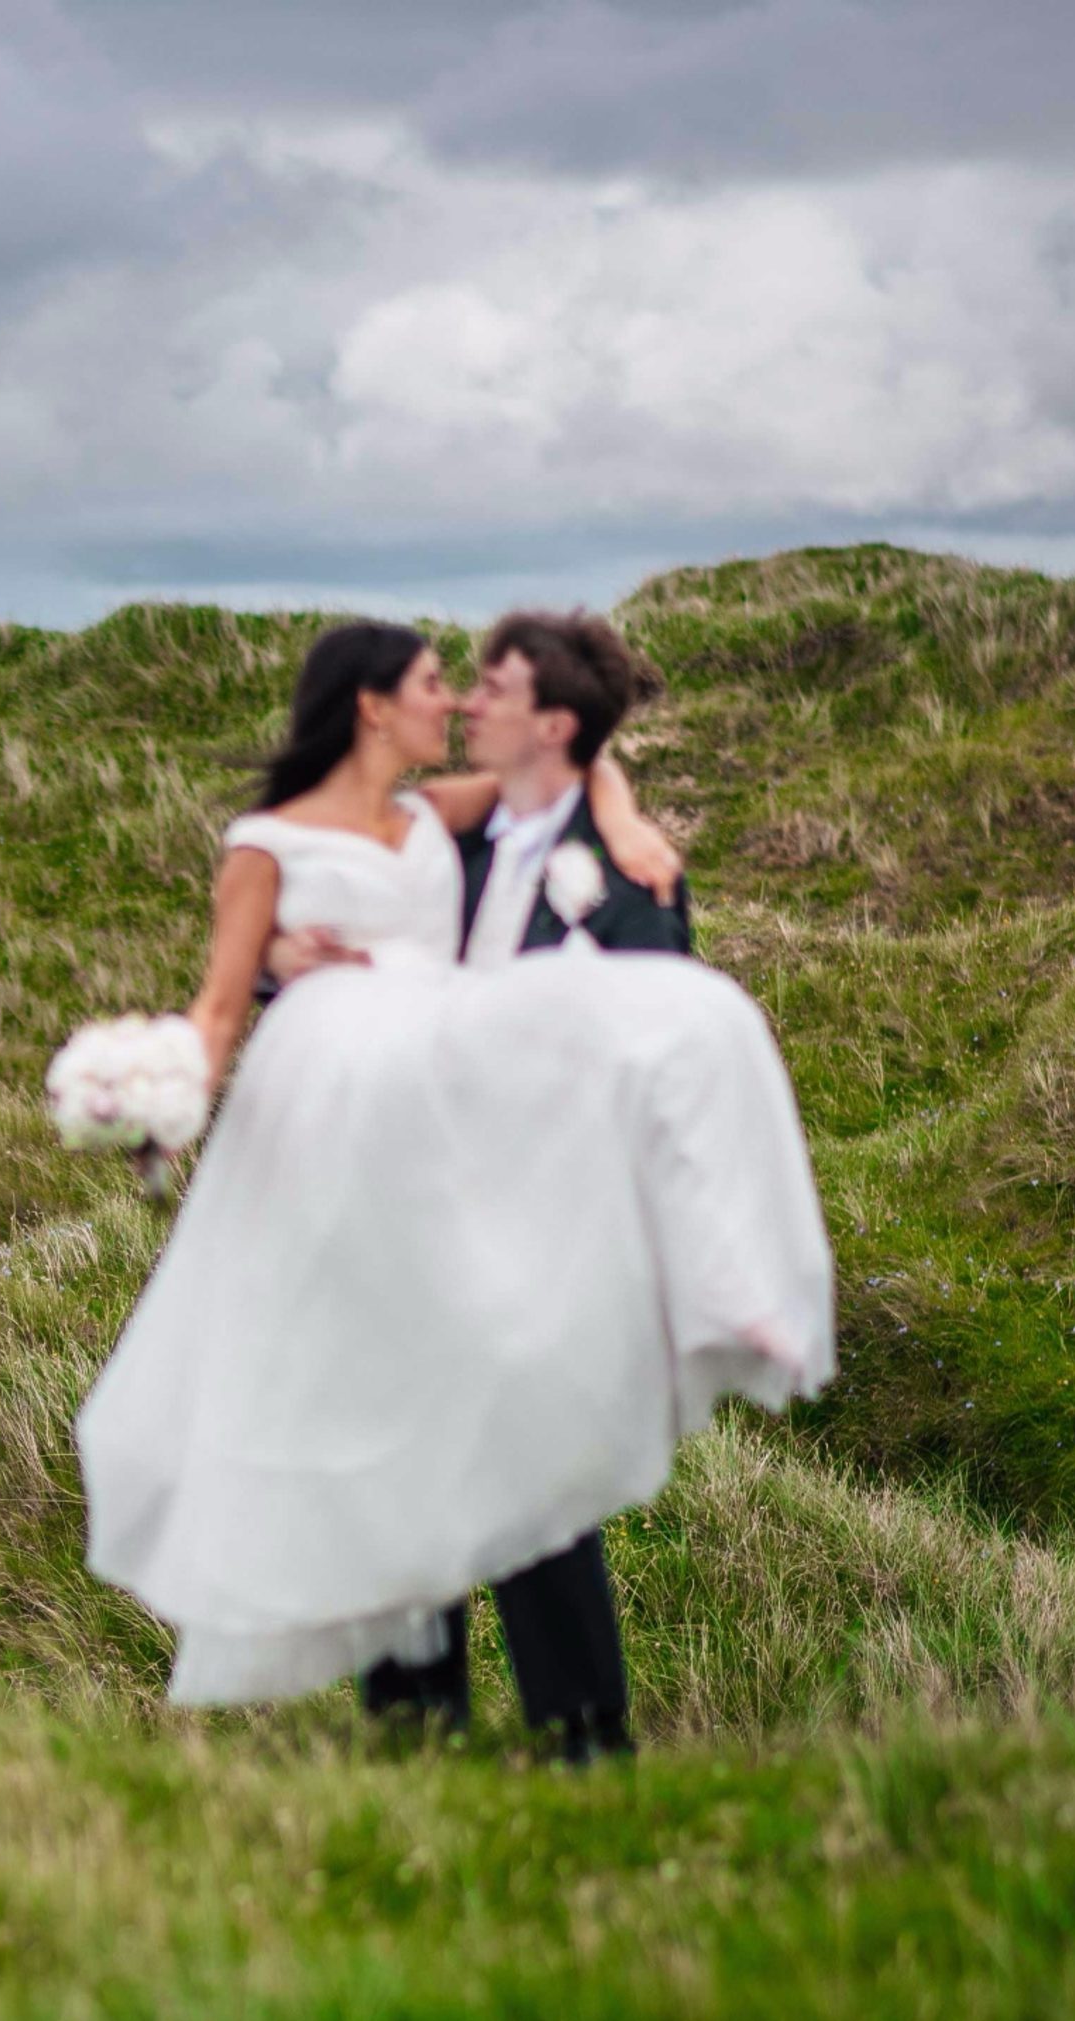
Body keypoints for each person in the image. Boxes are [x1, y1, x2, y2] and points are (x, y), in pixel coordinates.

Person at [71, 616, 834, 1757]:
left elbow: (573, 759)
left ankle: (580, 1727)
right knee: (387, 1411)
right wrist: (167, 1096)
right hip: (347, 1146)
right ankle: (418, 1723)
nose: (458, 701)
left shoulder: (437, 817)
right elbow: (219, 1007)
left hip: (471, 1155)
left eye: (472, 683)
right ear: (373, 705)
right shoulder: (268, 843)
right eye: (438, 683)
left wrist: (622, 813)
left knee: (510, 1404)